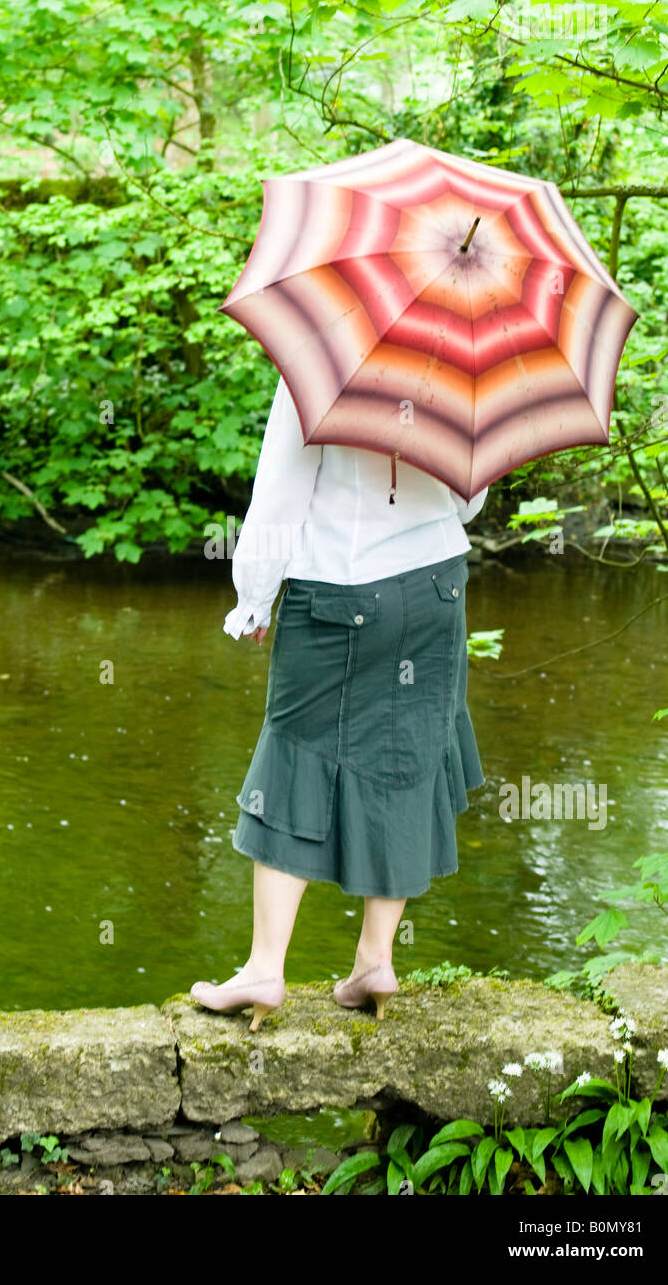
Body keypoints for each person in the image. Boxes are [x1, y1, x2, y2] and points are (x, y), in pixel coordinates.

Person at [190, 372, 489, 1031]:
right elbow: (470, 499)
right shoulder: (465, 362)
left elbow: (281, 490)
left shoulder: (322, 359)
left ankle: (266, 971)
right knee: (411, 754)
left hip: (340, 586)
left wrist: (254, 598)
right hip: (438, 582)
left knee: (293, 759)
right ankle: (375, 962)